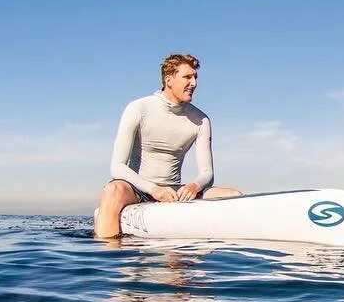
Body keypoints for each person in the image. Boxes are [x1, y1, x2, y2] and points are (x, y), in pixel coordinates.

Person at [93, 54, 243, 238]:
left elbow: (207, 174)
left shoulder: (201, 120)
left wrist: (194, 186)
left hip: (175, 192)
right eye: (187, 77)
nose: (194, 83)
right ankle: (107, 249)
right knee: (113, 190)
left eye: (195, 77)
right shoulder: (139, 108)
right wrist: (154, 190)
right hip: (138, 190)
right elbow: (117, 167)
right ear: (169, 80)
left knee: (234, 195)